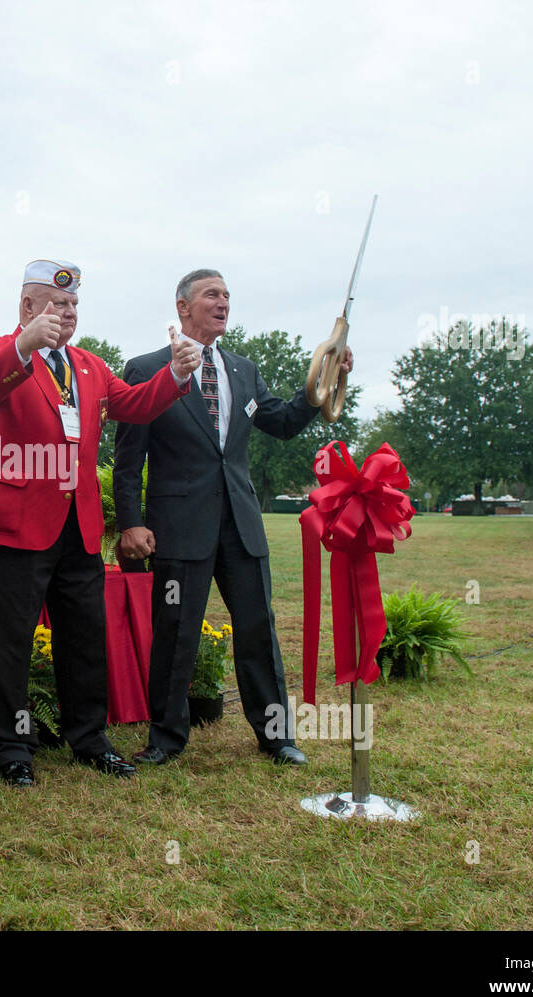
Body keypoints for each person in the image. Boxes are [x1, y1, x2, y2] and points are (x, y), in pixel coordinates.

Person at [0, 259, 201, 787]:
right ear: (28, 308)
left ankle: (89, 738)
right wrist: (24, 345)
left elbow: (136, 406)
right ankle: (11, 746)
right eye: (56, 304)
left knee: (85, 637)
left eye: (73, 306)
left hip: (78, 523)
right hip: (15, 524)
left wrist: (178, 373)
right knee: (13, 641)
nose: (67, 314)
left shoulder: (89, 366)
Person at [112, 269, 353, 766]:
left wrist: (326, 380)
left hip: (241, 525)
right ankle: (166, 739)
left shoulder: (244, 370)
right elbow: (129, 458)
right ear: (183, 307)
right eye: (211, 294)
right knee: (176, 632)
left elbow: (283, 423)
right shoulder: (145, 368)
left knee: (258, 630)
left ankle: (277, 737)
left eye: (227, 295)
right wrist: (131, 523)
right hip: (179, 527)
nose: (223, 302)